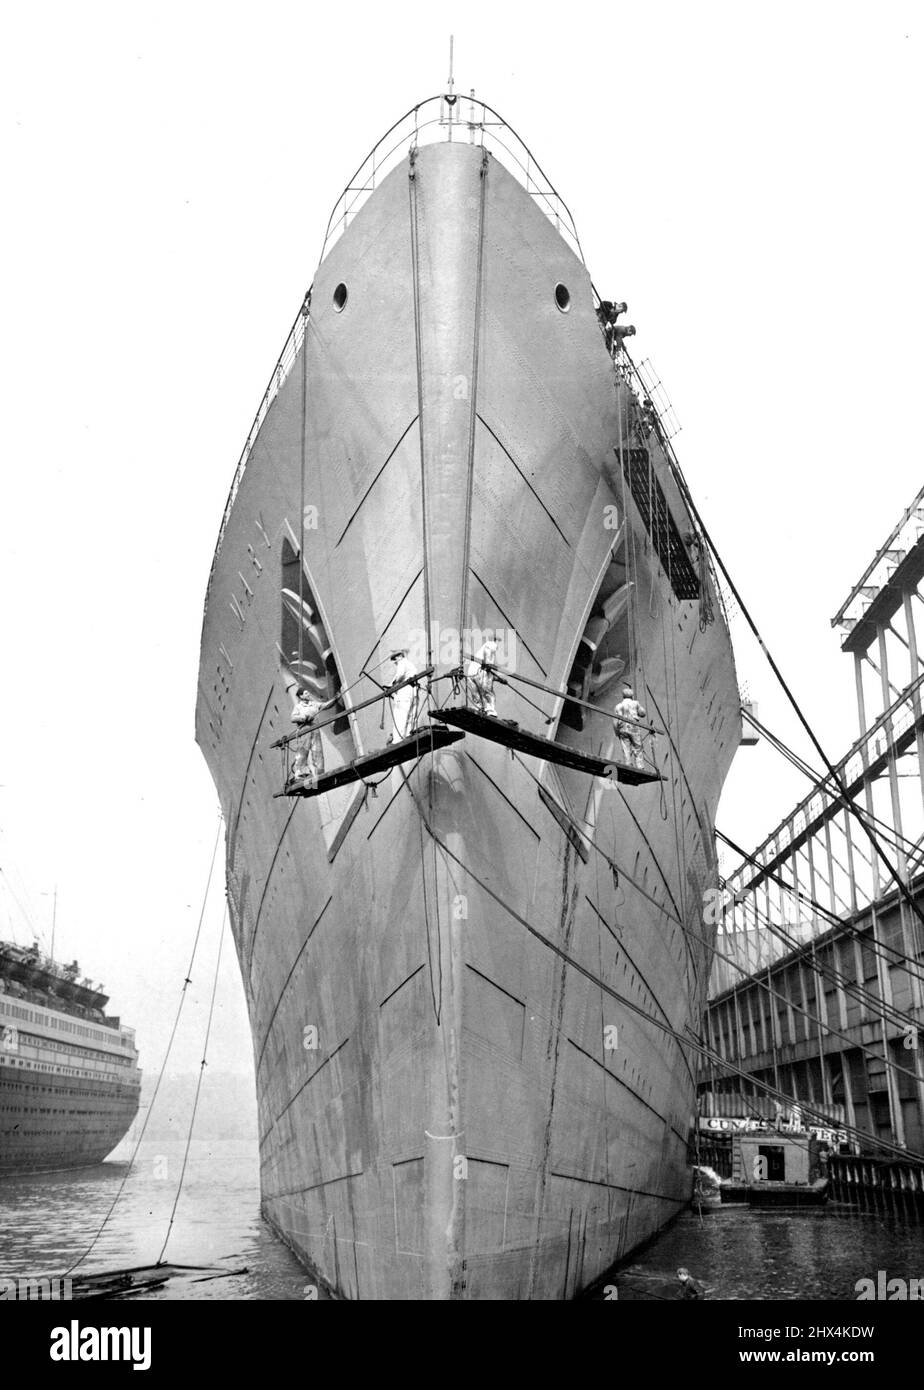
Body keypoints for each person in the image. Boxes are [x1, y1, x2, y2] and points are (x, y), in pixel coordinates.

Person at [290, 687, 338, 785]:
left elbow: (325, 705)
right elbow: (293, 718)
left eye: (308, 693)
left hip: (315, 731)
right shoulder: (299, 707)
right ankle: (299, 775)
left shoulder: (314, 704)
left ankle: (320, 774)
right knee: (303, 753)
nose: (308, 695)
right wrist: (304, 718)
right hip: (304, 732)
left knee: (318, 752)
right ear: (301, 696)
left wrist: (336, 698)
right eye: (306, 693)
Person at [386, 650, 419, 743]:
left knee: (400, 714)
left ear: (399, 656)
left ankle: (397, 740)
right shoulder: (410, 665)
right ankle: (408, 735)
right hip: (414, 690)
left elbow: (399, 674)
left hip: (405, 691)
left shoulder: (402, 662)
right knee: (411, 715)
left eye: (394, 658)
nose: (394, 662)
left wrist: (392, 685)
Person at [613, 683, 648, 770]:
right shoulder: (635, 703)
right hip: (633, 727)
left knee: (625, 747)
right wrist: (638, 708)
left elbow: (615, 721)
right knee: (637, 746)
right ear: (631, 696)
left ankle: (628, 764)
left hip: (622, 728)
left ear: (623, 696)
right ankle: (640, 766)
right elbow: (643, 713)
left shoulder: (618, 706)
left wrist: (617, 732)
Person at [466, 633, 500, 716]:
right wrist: (488, 664)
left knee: (475, 693)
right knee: (487, 690)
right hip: (480, 670)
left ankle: (478, 708)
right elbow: (488, 652)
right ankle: (490, 710)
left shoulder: (480, 650)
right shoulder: (491, 644)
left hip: (471, 673)